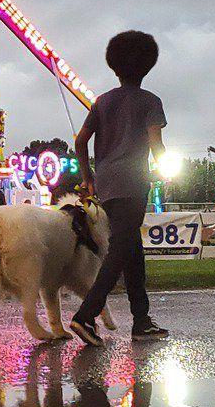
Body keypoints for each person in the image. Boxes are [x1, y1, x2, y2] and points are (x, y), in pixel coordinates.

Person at [69, 31, 169, 346]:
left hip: (107, 185)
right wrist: (165, 169)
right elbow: (156, 144)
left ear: (115, 67)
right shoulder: (151, 102)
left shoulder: (102, 101)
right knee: (120, 250)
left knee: (130, 249)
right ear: (147, 66)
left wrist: (87, 177)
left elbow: (80, 140)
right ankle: (85, 316)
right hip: (134, 182)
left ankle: (141, 321)